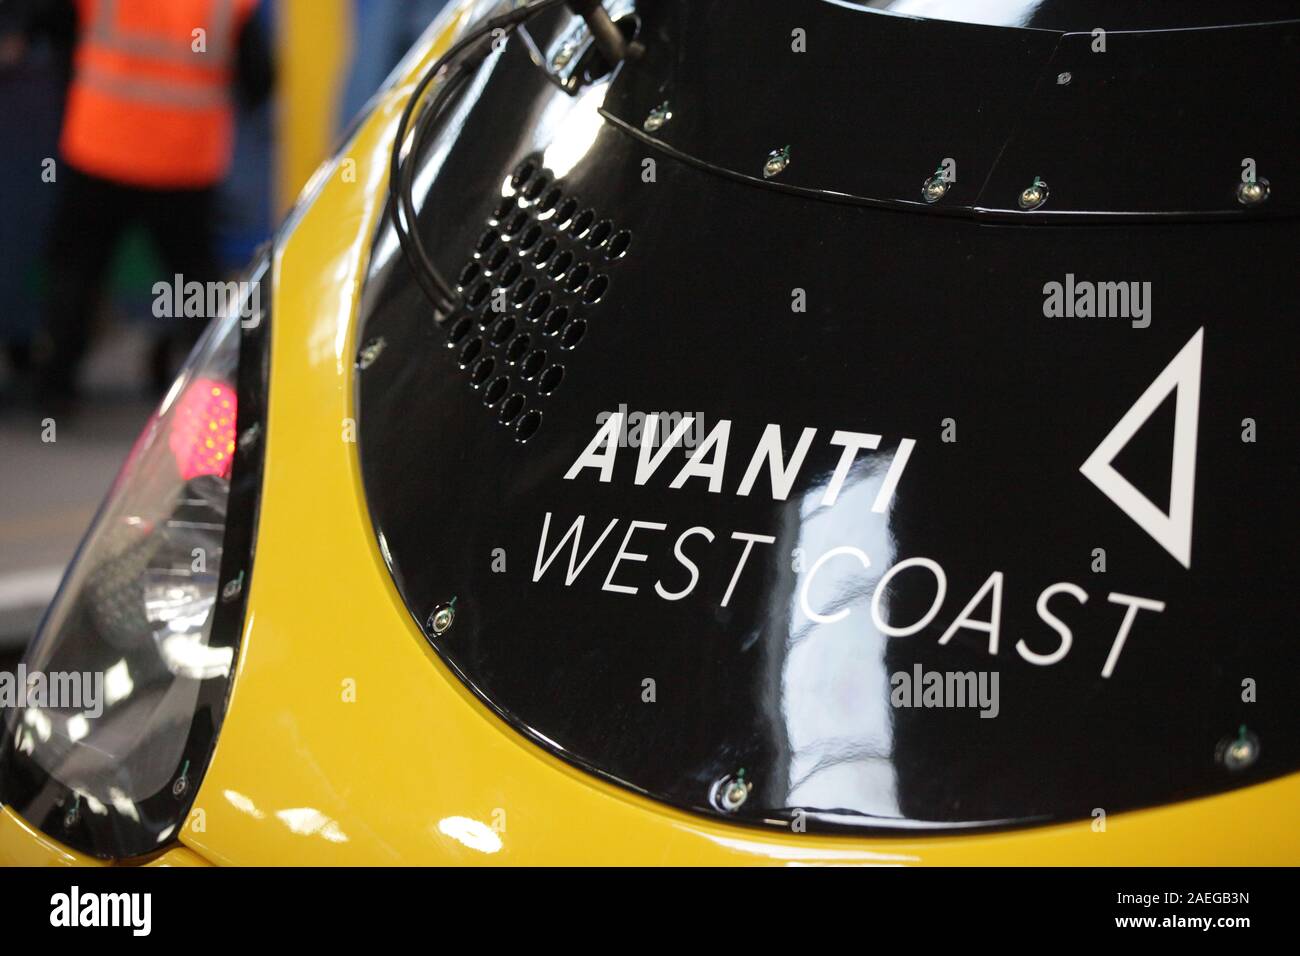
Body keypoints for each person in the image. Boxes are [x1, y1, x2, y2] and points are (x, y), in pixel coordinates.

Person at [3, 0, 273, 410]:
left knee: (74, 268)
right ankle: (226, 386)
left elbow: (47, 23)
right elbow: (260, 79)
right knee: (194, 279)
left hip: (102, 144)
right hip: (182, 156)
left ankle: (55, 386)